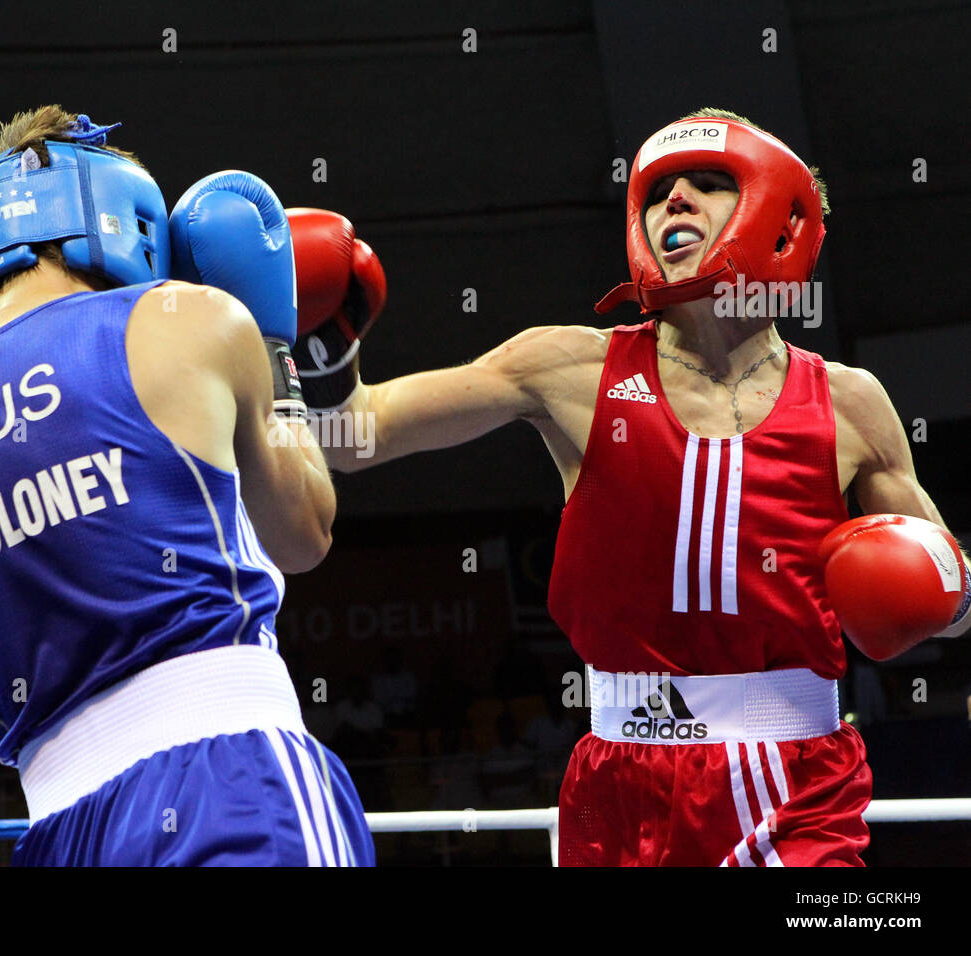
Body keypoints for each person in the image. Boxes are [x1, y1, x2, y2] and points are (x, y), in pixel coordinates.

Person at [289, 108, 971, 866]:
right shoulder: (567, 369)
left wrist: (932, 591)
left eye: (708, 184)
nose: (673, 201)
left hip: (798, 787)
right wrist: (322, 348)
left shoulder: (848, 403)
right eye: (657, 192)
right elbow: (356, 436)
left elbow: (954, 600)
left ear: (783, 220)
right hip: (622, 784)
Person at [0, 106, 374, 866]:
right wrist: (274, 348)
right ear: (119, 209)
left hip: (58, 826)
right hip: (228, 776)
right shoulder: (187, 320)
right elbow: (304, 531)